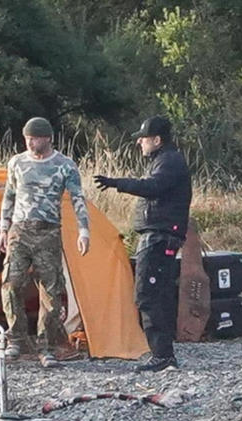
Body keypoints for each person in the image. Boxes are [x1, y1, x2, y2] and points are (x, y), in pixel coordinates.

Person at [93, 116, 192, 372]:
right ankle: (162, 352)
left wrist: (119, 183)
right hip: (159, 235)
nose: (139, 143)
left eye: (143, 138)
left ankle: (162, 355)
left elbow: (154, 187)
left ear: (157, 140)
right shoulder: (166, 160)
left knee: (148, 295)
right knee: (156, 293)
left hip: (159, 236)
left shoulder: (169, 161)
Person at [0, 117, 90, 368]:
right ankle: (16, 339)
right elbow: (9, 195)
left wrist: (84, 230)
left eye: (34, 138)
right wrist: (3, 229)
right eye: (27, 138)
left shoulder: (64, 166)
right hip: (20, 230)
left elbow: (77, 198)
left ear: (47, 138)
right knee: (11, 283)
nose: (30, 142)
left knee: (51, 290)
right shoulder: (17, 163)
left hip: (48, 232)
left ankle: (46, 346)